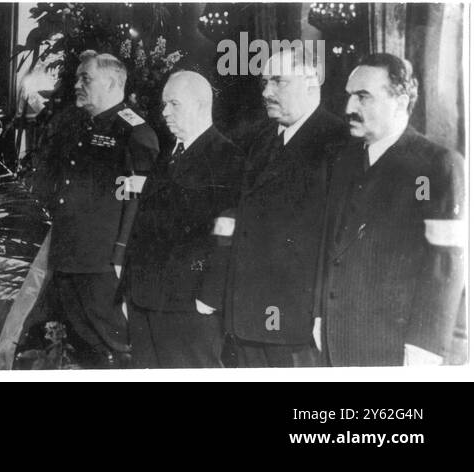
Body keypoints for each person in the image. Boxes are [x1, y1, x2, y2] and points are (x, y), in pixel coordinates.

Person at [200, 49, 349, 368]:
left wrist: (323, 314)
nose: (267, 92)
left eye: (279, 82)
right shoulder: (261, 139)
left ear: (312, 83)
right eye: (265, 82)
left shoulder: (339, 142)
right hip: (248, 312)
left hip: (297, 321)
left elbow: (338, 242)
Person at [320, 53, 463, 366]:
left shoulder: (438, 165)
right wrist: (320, 317)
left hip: (395, 350)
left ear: (399, 100)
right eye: (349, 96)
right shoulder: (344, 161)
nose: (348, 108)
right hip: (335, 342)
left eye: (363, 97)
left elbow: (445, 266)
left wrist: (423, 350)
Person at [33, 51, 158, 367]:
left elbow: (139, 201)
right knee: (80, 340)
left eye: (85, 78)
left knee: (115, 342)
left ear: (112, 82)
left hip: (102, 262)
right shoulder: (76, 124)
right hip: (69, 254)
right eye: (76, 78)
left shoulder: (135, 131)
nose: (77, 84)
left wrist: (120, 255)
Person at [124, 71, 242, 368]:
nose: (165, 112)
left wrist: (210, 296)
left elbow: (227, 233)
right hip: (146, 299)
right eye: (165, 104)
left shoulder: (227, 157)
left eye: (174, 104)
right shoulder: (169, 154)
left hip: (189, 305)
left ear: (202, 105)